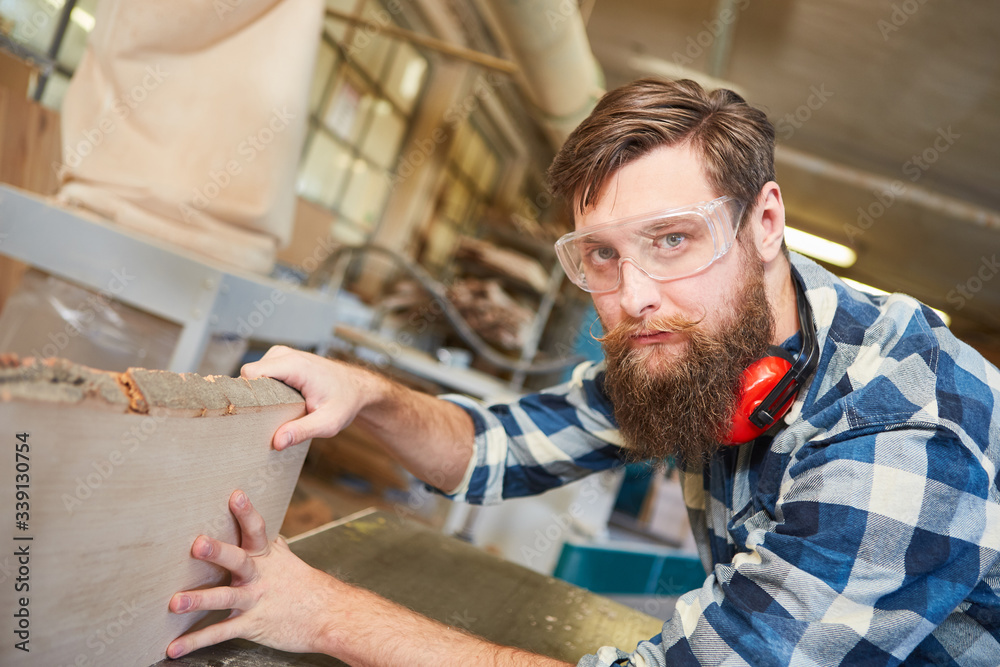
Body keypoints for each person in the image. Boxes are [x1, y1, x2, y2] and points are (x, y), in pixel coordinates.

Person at [166, 78, 1000, 665]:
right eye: (601, 255)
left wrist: (322, 613)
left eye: (671, 239)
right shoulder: (705, 338)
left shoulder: (899, 435)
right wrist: (368, 394)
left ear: (766, 221)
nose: (634, 295)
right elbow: (500, 448)